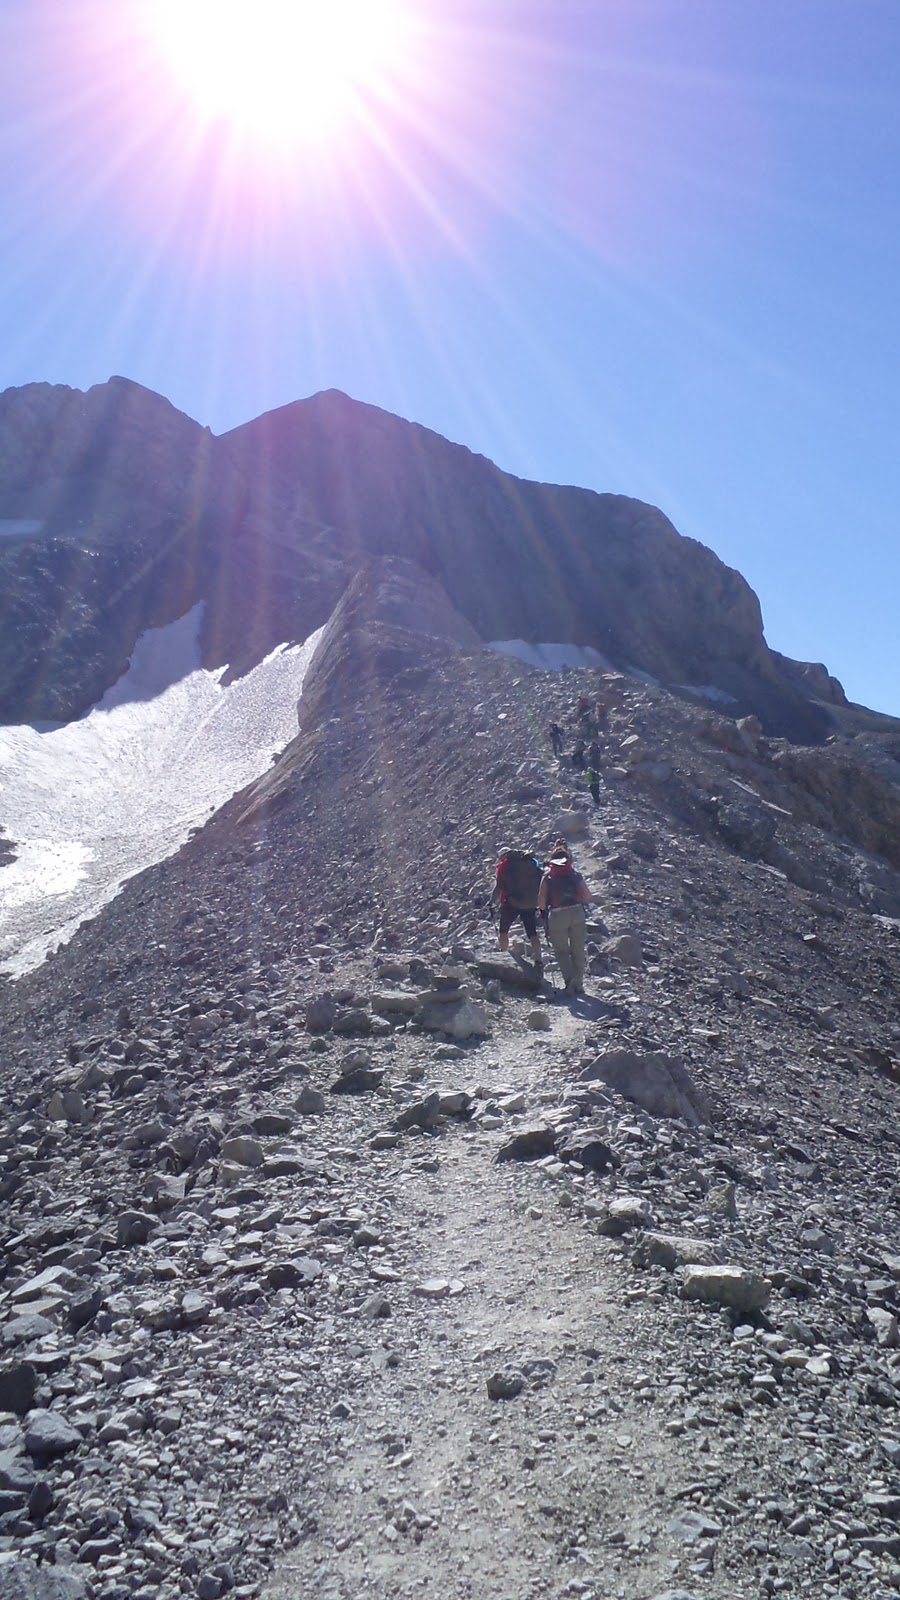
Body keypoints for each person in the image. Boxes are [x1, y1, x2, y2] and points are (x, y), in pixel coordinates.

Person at [538, 849, 591, 995]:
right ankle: (579, 984)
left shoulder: (548, 876)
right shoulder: (573, 873)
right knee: (578, 950)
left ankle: (569, 982)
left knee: (561, 951)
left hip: (557, 916)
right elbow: (587, 895)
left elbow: (541, 903)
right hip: (577, 913)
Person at [490, 848, 543, 968]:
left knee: (503, 930)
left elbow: (499, 887)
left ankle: (504, 956)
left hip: (511, 902)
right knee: (532, 932)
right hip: (530, 902)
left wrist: (491, 902)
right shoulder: (530, 862)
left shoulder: (504, 866)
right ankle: (539, 959)